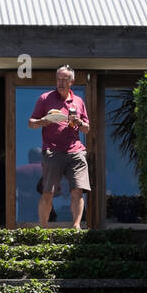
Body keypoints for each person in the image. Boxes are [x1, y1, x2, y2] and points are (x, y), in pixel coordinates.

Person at [29, 66, 90, 230]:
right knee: (48, 191)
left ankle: (76, 226)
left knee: (77, 190)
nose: (61, 83)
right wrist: (45, 121)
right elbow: (31, 123)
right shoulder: (45, 98)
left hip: (75, 150)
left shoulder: (78, 102)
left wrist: (79, 122)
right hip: (53, 150)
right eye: (58, 79)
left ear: (72, 81)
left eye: (64, 80)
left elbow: (86, 129)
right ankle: (43, 228)